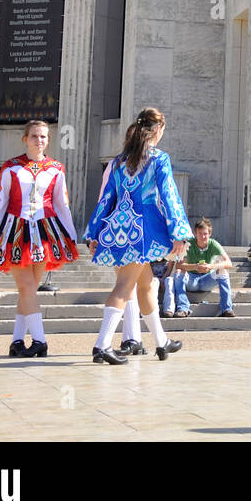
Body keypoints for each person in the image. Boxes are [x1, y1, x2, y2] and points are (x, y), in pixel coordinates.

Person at [84, 107, 192, 364]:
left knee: (145, 285)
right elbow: (169, 195)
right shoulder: (158, 159)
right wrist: (179, 232)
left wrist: (94, 232)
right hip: (143, 230)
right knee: (124, 286)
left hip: (120, 227)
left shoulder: (119, 161)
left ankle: (162, 341)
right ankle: (102, 345)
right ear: (158, 129)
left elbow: (106, 199)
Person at [0, 120, 79, 357]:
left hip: (45, 232)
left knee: (27, 290)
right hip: (16, 231)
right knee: (27, 286)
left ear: (48, 140)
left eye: (43, 136)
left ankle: (16, 341)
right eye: (34, 136)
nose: (39, 140)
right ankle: (40, 341)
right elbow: (0, 202)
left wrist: (71, 235)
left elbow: (61, 204)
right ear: (25, 138)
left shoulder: (56, 167)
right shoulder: (11, 166)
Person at [174, 218, 235, 318]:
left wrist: (211, 266)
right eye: (200, 233)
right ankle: (183, 308)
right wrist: (195, 267)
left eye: (205, 233)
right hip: (191, 280)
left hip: (207, 279)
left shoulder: (213, 244)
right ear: (195, 234)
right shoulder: (189, 244)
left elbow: (229, 263)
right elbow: (179, 265)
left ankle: (227, 308)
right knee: (178, 272)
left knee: (223, 271)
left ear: (209, 234)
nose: (203, 236)